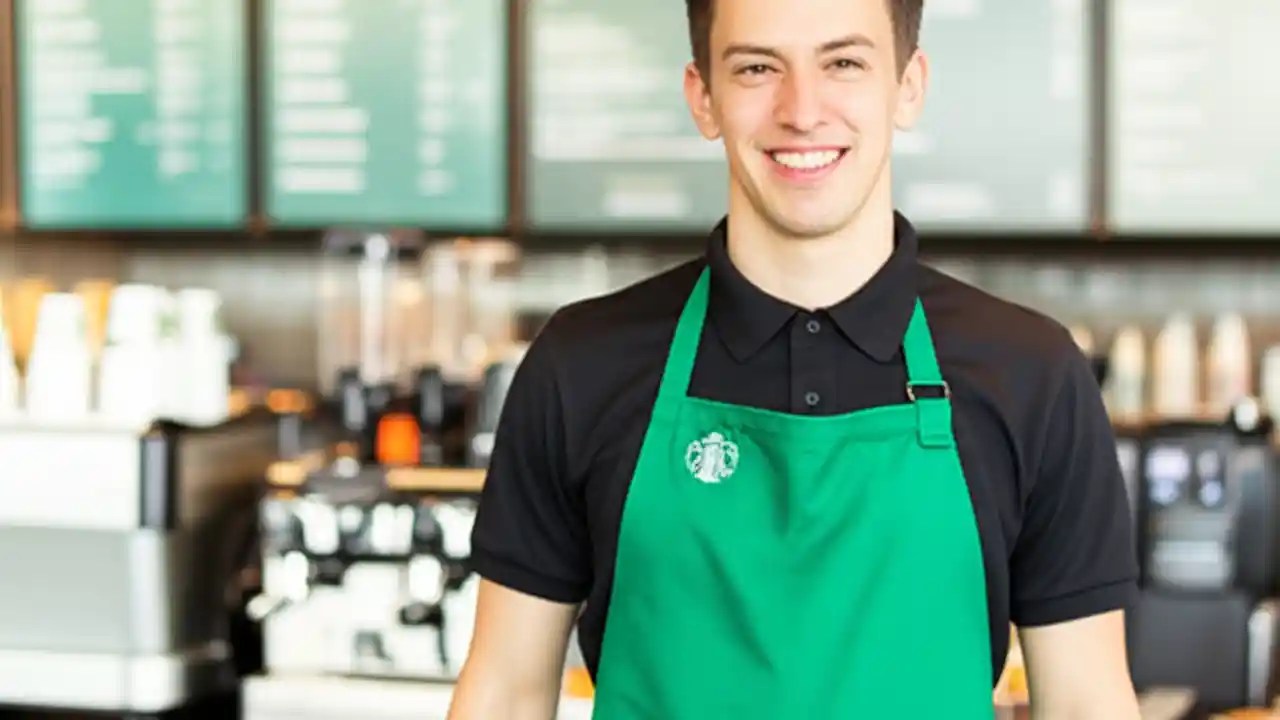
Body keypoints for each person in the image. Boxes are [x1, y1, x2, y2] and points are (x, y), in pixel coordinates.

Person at [449, 0, 1142, 716]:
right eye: (757, 67)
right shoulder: (581, 364)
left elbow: (1088, 702)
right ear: (703, 97)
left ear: (908, 85)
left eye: (843, 62)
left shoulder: (1033, 374)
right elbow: (504, 689)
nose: (802, 110)